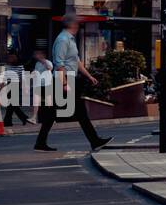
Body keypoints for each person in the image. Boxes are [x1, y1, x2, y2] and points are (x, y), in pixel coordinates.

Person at [35, 16, 111, 152]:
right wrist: (64, 83)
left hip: (69, 79)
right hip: (64, 80)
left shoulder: (70, 39)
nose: (78, 26)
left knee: (52, 113)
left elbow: (76, 61)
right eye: (76, 24)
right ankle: (95, 141)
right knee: (80, 112)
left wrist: (89, 76)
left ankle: (40, 142)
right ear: (71, 25)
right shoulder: (63, 40)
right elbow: (59, 63)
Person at [1, 51, 32, 127]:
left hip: (15, 85)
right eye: (9, 57)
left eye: (12, 57)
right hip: (8, 85)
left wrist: (23, 86)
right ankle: (23, 118)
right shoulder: (7, 66)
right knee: (12, 104)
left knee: (11, 104)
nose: (10, 59)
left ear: (16, 58)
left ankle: (7, 121)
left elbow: (22, 77)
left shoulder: (20, 66)